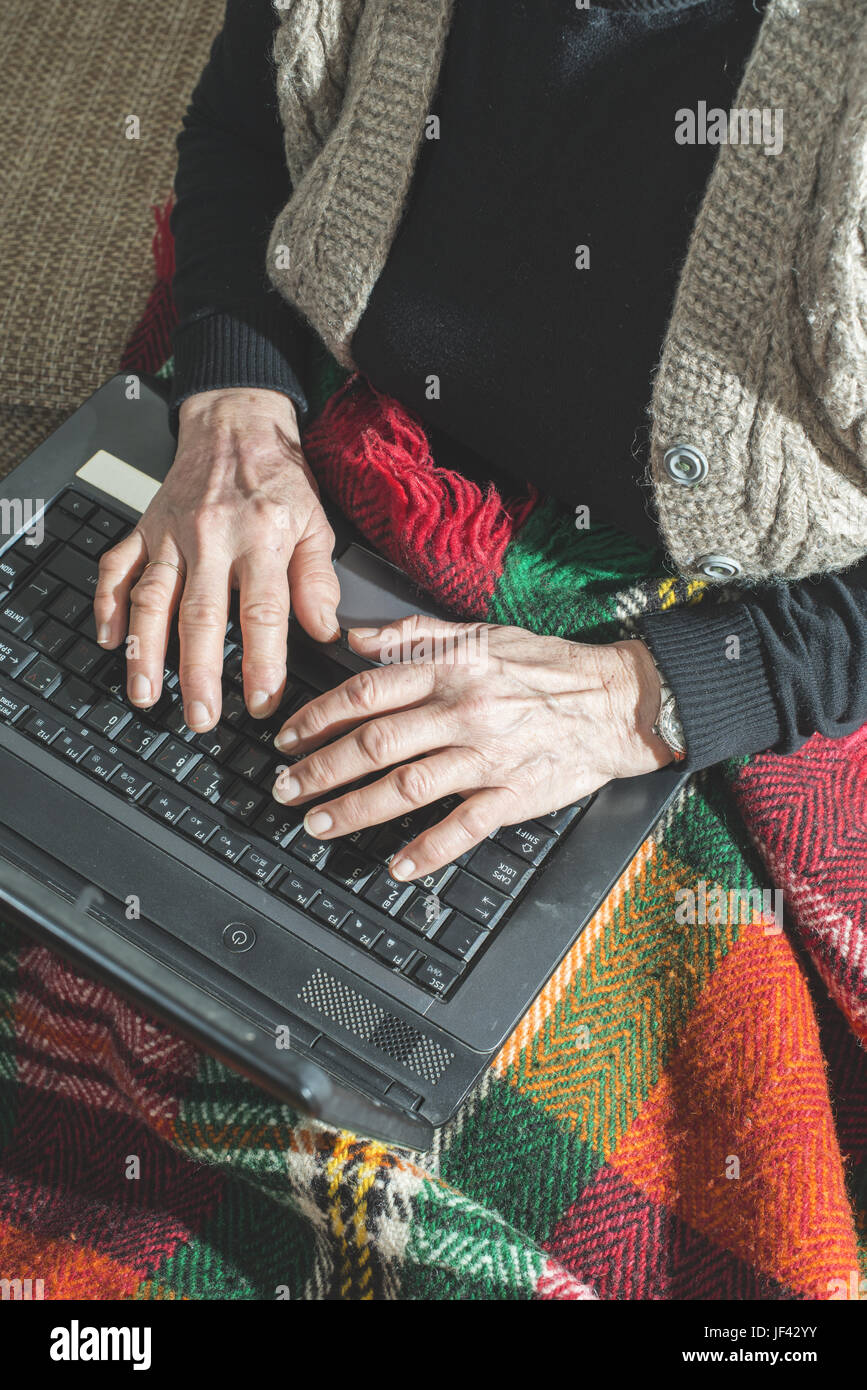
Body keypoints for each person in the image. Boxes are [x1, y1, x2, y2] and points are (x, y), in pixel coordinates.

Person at [93, 0, 867, 884]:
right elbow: (246, 127)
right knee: (105, 834)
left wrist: (642, 698)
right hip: (319, 434)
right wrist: (235, 407)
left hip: (741, 630)